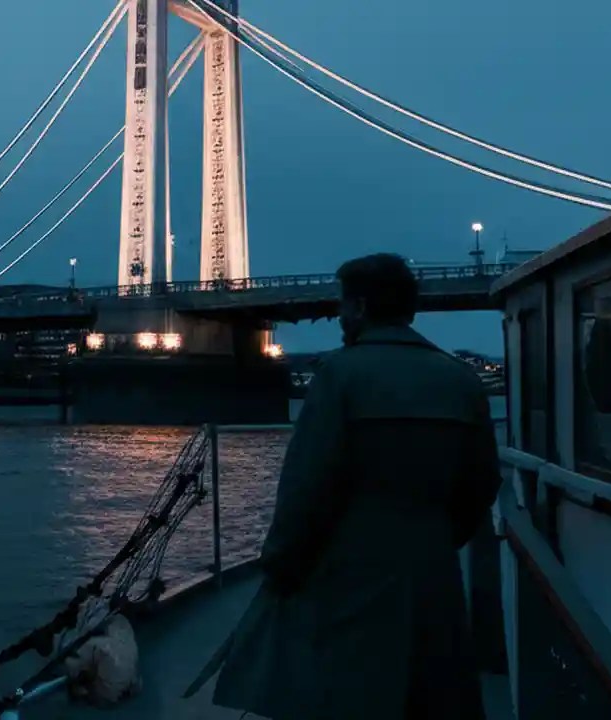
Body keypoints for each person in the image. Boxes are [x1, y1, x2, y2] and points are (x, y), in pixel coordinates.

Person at [186, 253, 502, 719]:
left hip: (351, 571)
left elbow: (307, 487)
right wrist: (435, 536)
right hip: (434, 569)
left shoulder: (339, 376)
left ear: (357, 307)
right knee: (433, 692)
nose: (337, 317)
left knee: (351, 692)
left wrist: (282, 564)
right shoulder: (461, 379)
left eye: (341, 306)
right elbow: (482, 482)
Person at [63, 614, 142, 707]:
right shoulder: (126, 636)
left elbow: (72, 667)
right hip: (132, 681)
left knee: (76, 685)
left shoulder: (95, 644)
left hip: (107, 695)